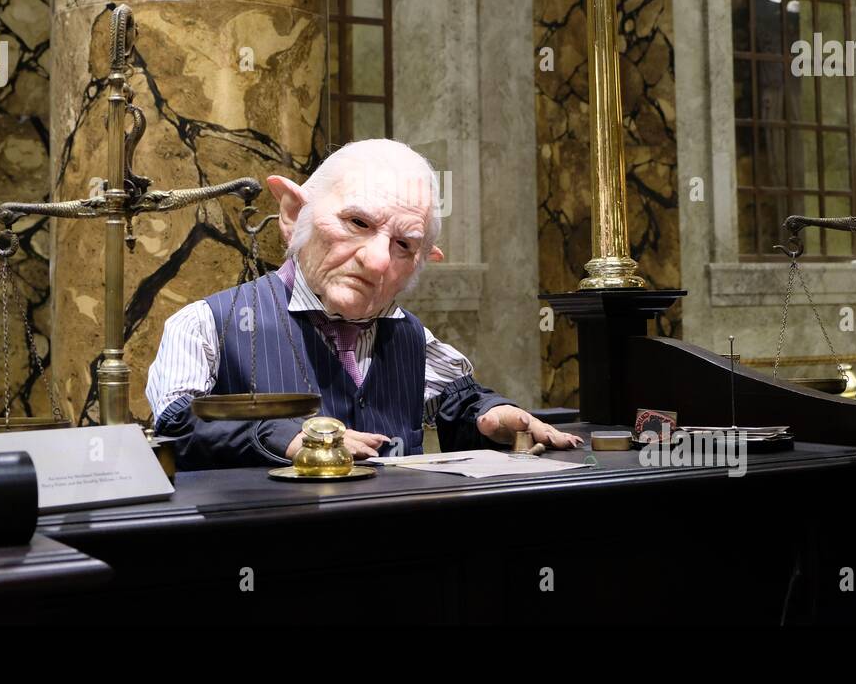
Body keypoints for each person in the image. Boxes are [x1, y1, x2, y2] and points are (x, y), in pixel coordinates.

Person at [145, 138, 582, 468]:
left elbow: (459, 402)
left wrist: (493, 416)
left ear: (422, 263)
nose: (376, 263)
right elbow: (176, 424)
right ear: (293, 213)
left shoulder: (409, 335)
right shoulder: (206, 324)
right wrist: (292, 438)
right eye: (357, 222)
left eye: (404, 245)